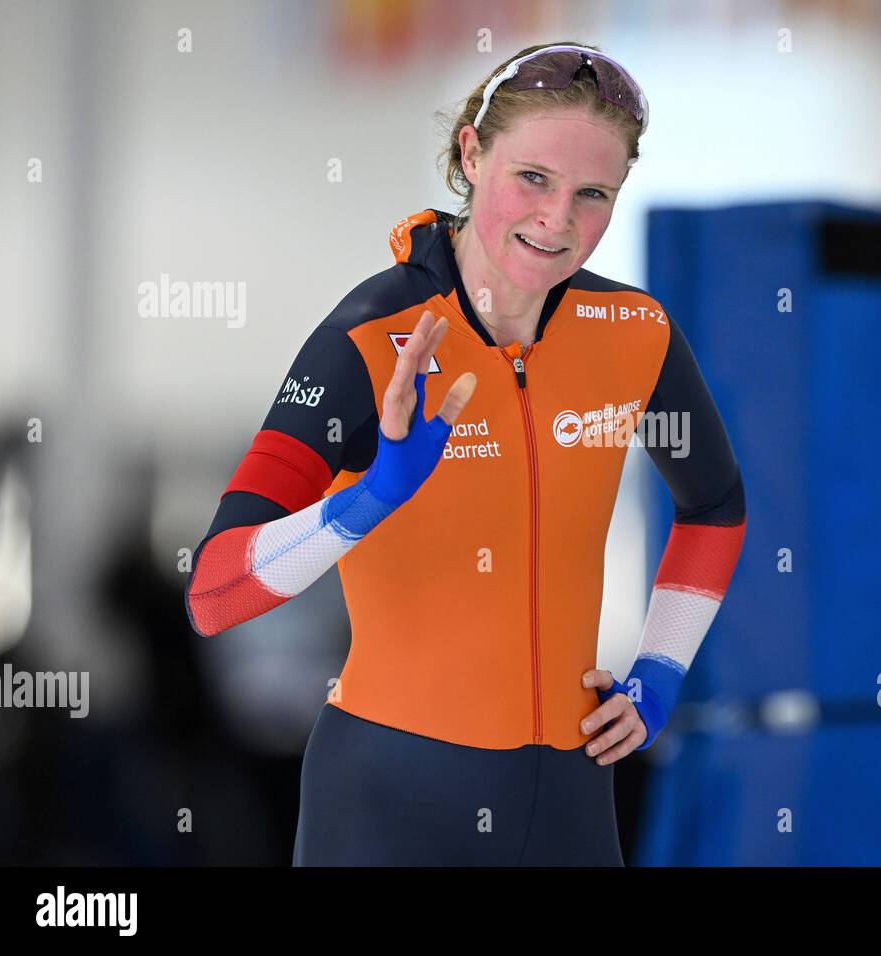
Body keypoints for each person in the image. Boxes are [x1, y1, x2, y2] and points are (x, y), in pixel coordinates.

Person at [184, 41, 746, 866]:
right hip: (387, 797)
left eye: (594, 194)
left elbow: (715, 508)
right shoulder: (368, 340)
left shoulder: (634, 334)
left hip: (570, 798)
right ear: (471, 153)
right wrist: (370, 498)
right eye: (534, 178)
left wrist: (658, 674)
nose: (558, 219)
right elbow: (213, 593)